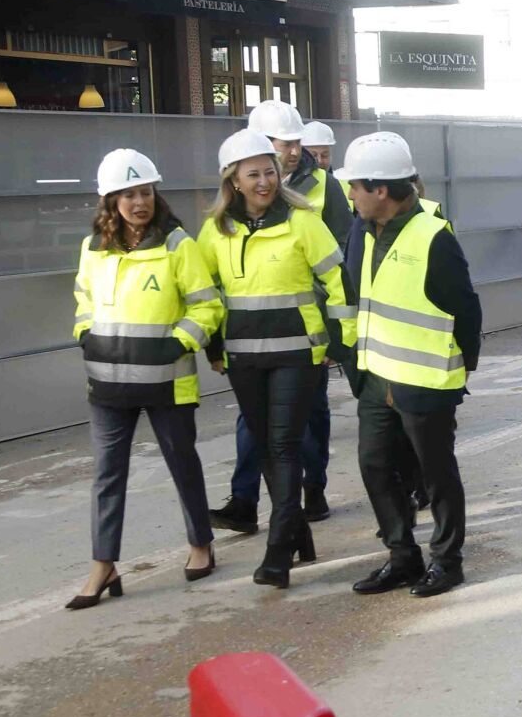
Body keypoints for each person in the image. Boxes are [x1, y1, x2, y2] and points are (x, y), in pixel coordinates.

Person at [67, 150, 224, 608]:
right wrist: (84, 333)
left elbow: (206, 306)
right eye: (129, 194)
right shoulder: (92, 247)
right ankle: (103, 564)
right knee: (106, 475)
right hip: (107, 384)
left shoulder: (178, 245)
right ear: (110, 200)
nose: (140, 202)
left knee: (182, 463)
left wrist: (178, 343)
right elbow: (83, 300)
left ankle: (200, 543)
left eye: (146, 192)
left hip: (167, 382)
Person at [199, 129, 355, 588]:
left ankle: (278, 549)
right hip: (244, 356)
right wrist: (212, 345)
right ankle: (299, 533)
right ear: (234, 181)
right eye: (254, 175)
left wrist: (337, 342)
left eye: (269, 172)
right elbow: (203, 291)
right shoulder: (215, 230)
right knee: (267, 446)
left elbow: (338, 281)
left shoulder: (303, 220)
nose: (265, 181)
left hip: (298, 354)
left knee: (284, 446)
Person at [337, 132, 481, 598]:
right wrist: (355, 368)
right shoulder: (360, 231)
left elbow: (466, 309)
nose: (350, 194)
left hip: (425, 383)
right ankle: (402, 557)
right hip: (376, 377)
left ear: (381, 189)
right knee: (375, 466)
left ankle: (447, 561)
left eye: (356, 186)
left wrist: (458, 370)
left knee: (435, 474)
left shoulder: (433, 237)